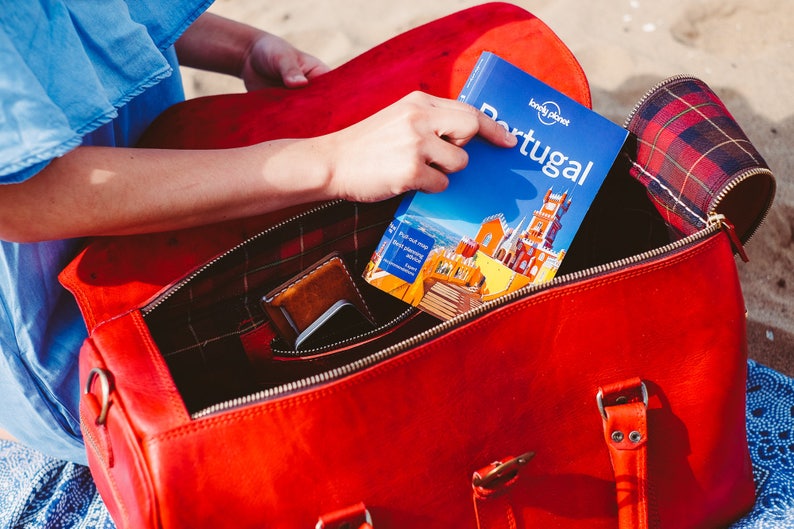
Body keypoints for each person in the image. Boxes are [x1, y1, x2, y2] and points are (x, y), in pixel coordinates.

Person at [0, 1, 517, 466]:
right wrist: (331, 162)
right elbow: (17, 199)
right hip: (84, 341)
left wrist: (241, 45)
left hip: (183, 218)